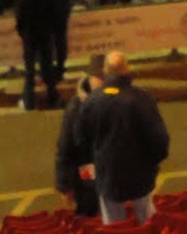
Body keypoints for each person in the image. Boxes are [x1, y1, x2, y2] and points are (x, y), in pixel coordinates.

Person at [66, 50, 169, 223]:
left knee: (114, 224)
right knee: (148, 219)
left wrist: (95, 160)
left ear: (105, 72)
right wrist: (153, 163)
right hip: (140, 175)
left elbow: (80, 139)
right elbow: (159, 139)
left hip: (108, 175)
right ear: (127, 70)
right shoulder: (142, 98)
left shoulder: (93, 101)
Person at [55, 54, 107, 216]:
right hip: (86, 182)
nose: (103, 82)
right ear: (90, 78)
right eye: (99, 77)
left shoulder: (115, 99)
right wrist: (64, 186)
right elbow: (65, 147)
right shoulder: (76, 107)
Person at [15, 0, 52, 110]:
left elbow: (19, 19)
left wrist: (22, 33)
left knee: (29, 70)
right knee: (47, 67)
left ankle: (28, 101)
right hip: (45, 35)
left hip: (29, 37)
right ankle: (52, 98)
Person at [44, 0, 81, 86]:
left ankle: (51, 70)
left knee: (50, 41)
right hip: (64, 8)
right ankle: (60, 68)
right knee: (61, 39)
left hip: (52, 10)